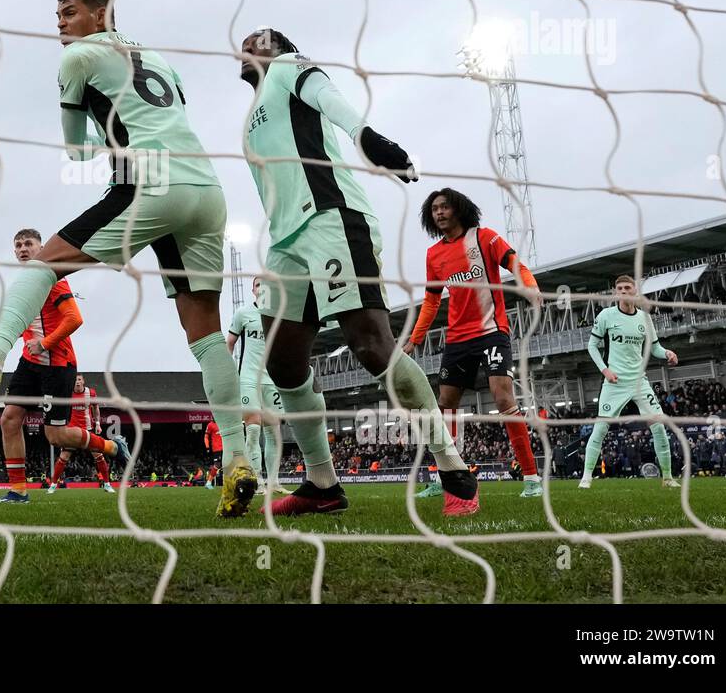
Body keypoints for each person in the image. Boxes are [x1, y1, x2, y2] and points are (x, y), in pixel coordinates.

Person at [0, 0, 258, 514]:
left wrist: (79, 103)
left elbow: (77, 150)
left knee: (45, 263)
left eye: (70, 11)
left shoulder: (77, 57)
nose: (60, 22)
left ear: (101, 13)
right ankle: (238, 461)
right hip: (208, 192)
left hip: (149, 182)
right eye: (57, 13)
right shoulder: (160, 59)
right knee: (207, 336)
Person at [238, 27, 478, 516]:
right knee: (283, 366)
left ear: (280, 48)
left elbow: (327, 96)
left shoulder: (290, 66)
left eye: (257, 41)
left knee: (371, 345)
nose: (245, 48)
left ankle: (453, 468)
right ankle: (322, 484)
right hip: (285, 241)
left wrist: (368, 137)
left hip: (331, 217)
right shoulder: (250, 117)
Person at [403, 188, 544, 498]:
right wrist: (414, 339)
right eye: (434, 209)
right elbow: (431, 301)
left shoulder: (485, 238)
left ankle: (532, 478)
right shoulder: (434, 254)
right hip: (457, 338)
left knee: (503, 399)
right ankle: (445, 479)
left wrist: (531, 286)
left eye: (444, 207)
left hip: (492, 331)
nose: (438, 213)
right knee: (445, 406)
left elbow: (516, 265)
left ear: (459, 209)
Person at [0, 228, 88, 506]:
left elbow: (74, 319)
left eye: (28, 244)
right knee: (9, 419)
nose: (22, 249)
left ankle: (112, 445)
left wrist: (44, 343)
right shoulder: (24, 284)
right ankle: (18, 492)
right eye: (17, 245)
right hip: (30, 364)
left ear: (42, 248)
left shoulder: (53, 279)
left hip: (57, 365)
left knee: (55, 436)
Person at [580, 275, 680, 488]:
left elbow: (654, 348)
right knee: (600, 428)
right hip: (614, 382)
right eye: (620, 288)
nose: (624, 291)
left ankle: (668, 478)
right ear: (616, 292)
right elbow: (592, 346)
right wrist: (605, 370)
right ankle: (586, 477)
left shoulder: (645, 318)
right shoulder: (606, 315)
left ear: (635, 291)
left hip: (639, 382)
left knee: (659, 427)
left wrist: (667, 353)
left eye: (628, 287)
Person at [227, 278, 291, 495]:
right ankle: (256, 482)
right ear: (253, 290)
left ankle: (273, 482)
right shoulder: (243, 314)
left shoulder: (278, 316)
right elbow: (230, 343)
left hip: (272, 379)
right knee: (253, 430)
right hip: (248, 378)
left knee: (273, 432)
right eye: (258, 284)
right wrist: (227, 373)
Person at [45, 374, 116, 494]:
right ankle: (53, 485)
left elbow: (95, 408)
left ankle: (107, 484)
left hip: (87, 430)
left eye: (79, 380)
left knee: (99, 456)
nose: (77, 382)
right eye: (75, 380)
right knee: (63, 457)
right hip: (72, 432)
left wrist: (97, 423)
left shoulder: (91, 393)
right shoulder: (68, 393)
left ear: (83, 382)